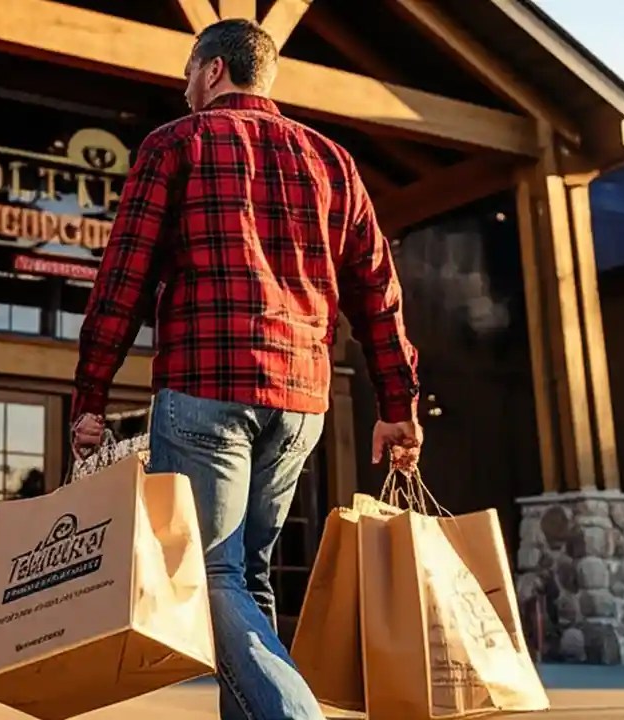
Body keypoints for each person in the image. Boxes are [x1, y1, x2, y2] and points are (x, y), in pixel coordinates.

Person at [69, 18, 422, 720]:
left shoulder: (178, 143)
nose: (184, 86)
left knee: (210, 572)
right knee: (245, 575)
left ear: (213, 71)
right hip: (300, 404)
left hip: (208, 388)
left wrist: (91, 394)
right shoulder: (333, 161)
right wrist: (397, 403)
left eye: (187, 72)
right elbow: (378, 291)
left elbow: (124, 280)